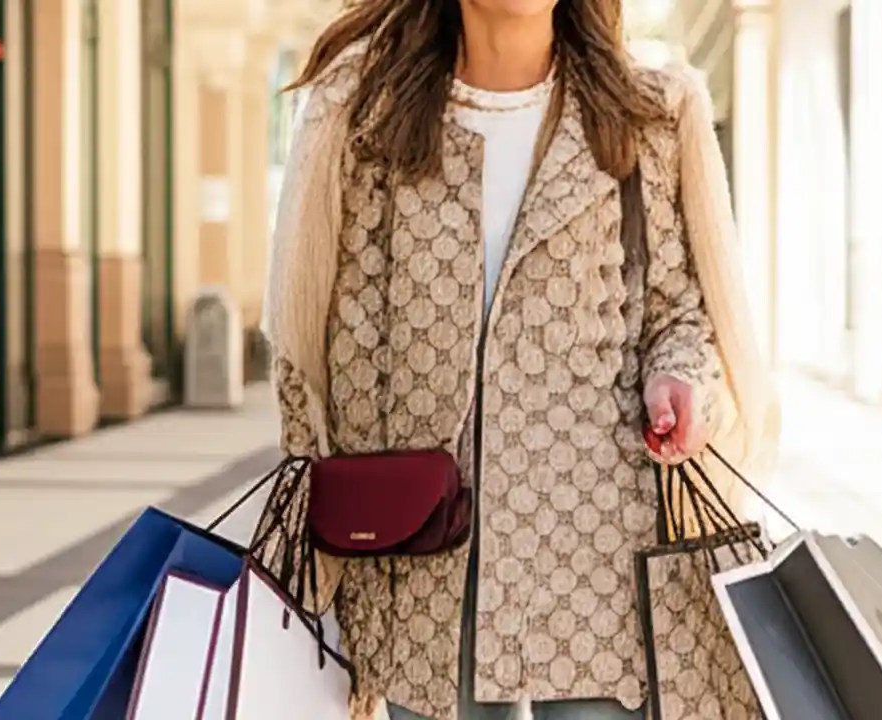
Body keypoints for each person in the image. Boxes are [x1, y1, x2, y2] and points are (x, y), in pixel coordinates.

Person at [256, 0, 780, 718]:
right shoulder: (361, 118)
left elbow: (678, 311)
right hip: (419, 547)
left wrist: (680, 378)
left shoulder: (645, 114)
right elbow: (312, 338)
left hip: (596, 540)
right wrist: (329, 534)